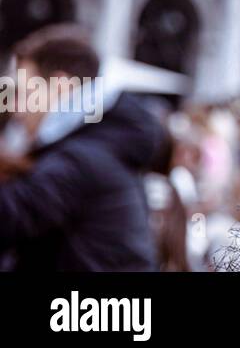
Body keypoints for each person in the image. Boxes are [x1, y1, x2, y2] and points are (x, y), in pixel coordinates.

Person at [0, 24, 163, 271]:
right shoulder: (98, 144)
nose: (17, 109)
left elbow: (10, 216)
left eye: (25, 93)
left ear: (60, 85)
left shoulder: (79, 159)